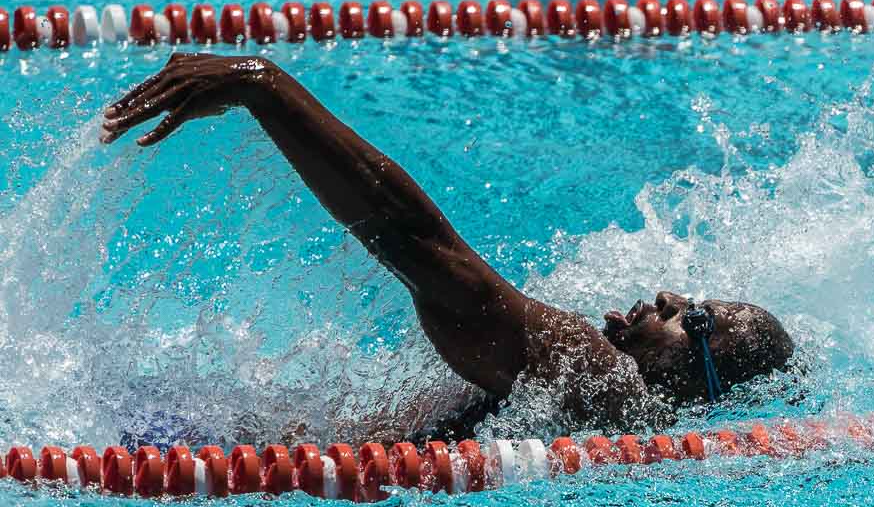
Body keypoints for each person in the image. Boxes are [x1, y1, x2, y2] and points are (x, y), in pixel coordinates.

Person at [102, 53, 794, 444]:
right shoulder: (613, 413)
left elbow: (428, 254)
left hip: (224, 477)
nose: (672, 296)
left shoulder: (596, 381)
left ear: (695, 379)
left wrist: (265, 88)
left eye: (693, 318)